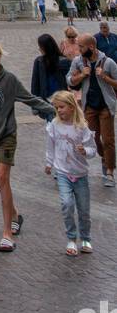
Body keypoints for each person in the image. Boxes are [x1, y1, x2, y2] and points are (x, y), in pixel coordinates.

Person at [0, 37, 54, 253]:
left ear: (0, 54)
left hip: (7, 133)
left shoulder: (10, 80)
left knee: (3, 177)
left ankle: (7, 234)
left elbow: (30, 98)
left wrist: (54, 109)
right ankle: (15, 214)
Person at [45, 90, 98, 256]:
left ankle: (85, 238)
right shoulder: (54, 125)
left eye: (62, 107)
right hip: (63, 172)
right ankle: (71, 238)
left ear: (72, 107)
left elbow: (93, 149)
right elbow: (50, 145)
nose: (59, 110)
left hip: (81, 174)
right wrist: (49, 163)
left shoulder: (81, 127)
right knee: (67, 205)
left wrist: (85, 151)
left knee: (83, 209)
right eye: (56, 108)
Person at [68, 34, 117, 188]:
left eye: (81, 47)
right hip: (89, 107)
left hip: (106, 107)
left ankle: (109, 171)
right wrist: (82, 75)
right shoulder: (78, 62)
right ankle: (106, 159)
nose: (79, 49)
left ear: (91, 47)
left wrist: (105, 77)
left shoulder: (108, 62)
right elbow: (68, 80)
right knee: (92, 140)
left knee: (108, 140)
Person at [30, 33, 70, 98]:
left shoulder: (64, 61)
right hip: (45, 99)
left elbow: (69, 81)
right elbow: (35, 84)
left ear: (47, 47)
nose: (39, 49)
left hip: (61, 99)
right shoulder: (38, 61)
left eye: (40, 47)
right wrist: (35, 102)